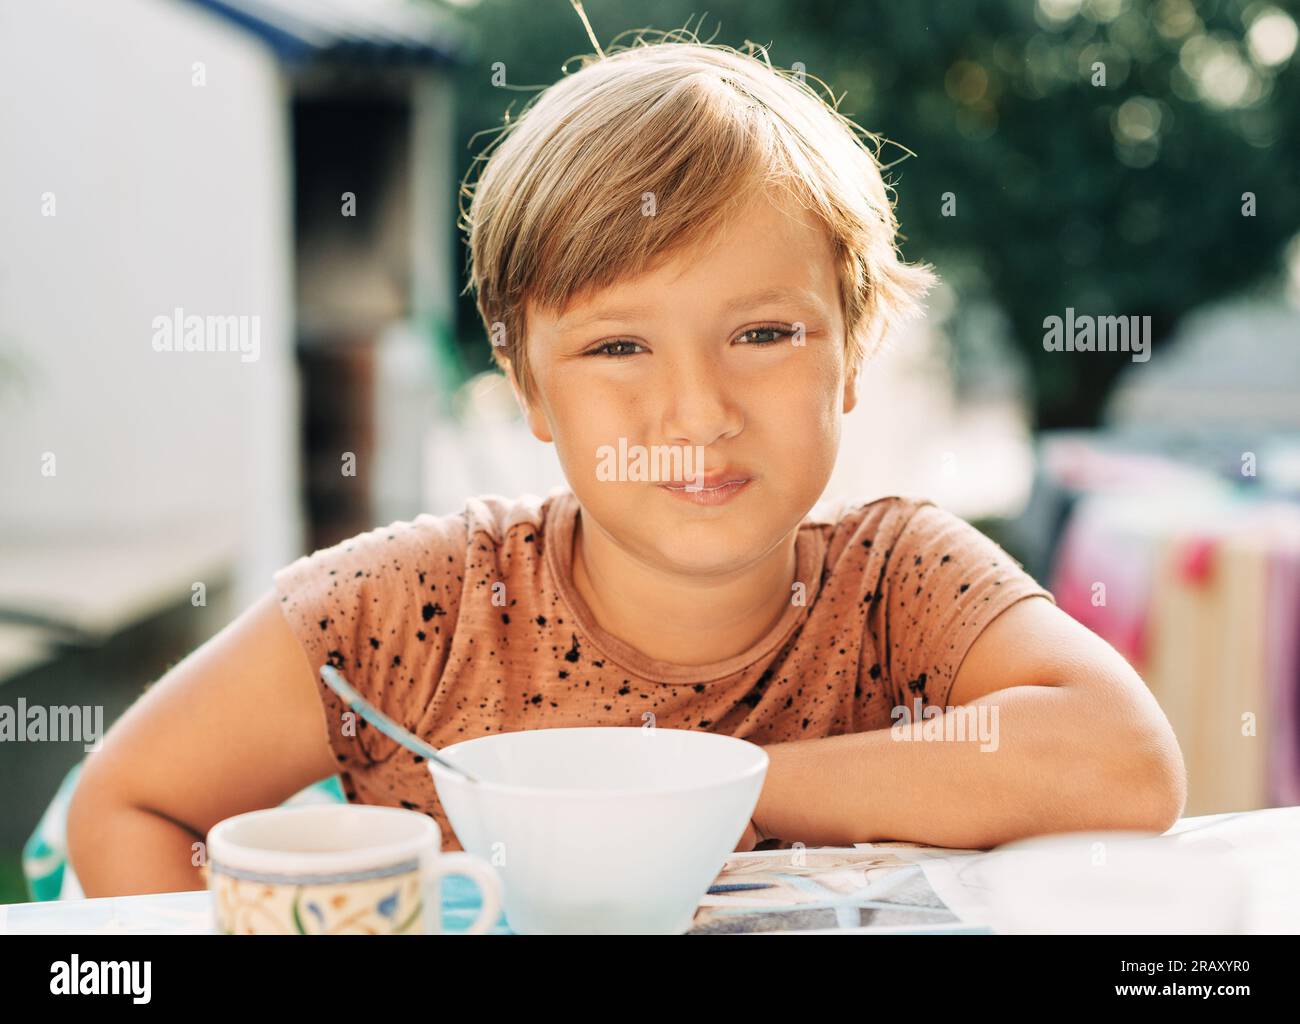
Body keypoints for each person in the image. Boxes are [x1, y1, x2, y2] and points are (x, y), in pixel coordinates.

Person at [68, 33, 1185, 896]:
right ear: (530, 389)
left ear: (853, 354)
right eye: (615, 347)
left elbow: (1123, 760)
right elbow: (129, 803)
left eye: (763, 334)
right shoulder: (405, 611)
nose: (697, 411)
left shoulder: (899, 581)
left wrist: (707, 796)